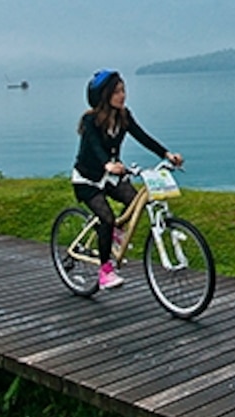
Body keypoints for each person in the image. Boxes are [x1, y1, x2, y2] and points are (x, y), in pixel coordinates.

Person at [72, 69, 183, 290]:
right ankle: (105, 272)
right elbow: (94, 146)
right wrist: (107, 164)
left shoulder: (124, 116)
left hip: (111, 176)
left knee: (134, 202)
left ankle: (114, 233)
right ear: (105, 95)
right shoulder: (90, 120)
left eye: (123, 90)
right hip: (88, 179)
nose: (122, 95)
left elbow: (142, 136)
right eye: (116, 92)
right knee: (106, 217)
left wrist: (166, 154)